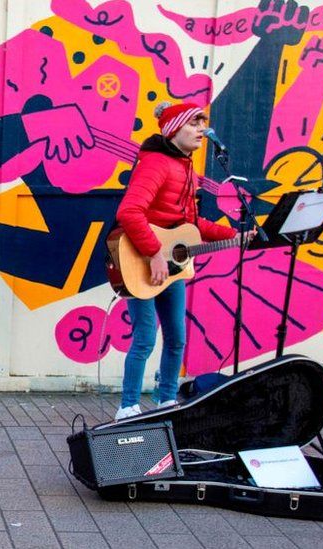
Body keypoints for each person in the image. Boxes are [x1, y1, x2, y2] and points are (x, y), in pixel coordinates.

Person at [113, 102, 244, 421]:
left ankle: (166, 400)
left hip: (171, 266)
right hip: (141, 261)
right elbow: (129, 212)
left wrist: (235, 234)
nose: (202, 129)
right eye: (194, 123)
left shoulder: (186, 169)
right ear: (174, 129)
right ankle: (128, 406)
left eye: (203, 123)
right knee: (145, 336)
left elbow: (192, 225)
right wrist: (154, 253)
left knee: (176, 337)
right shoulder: (156, 163)